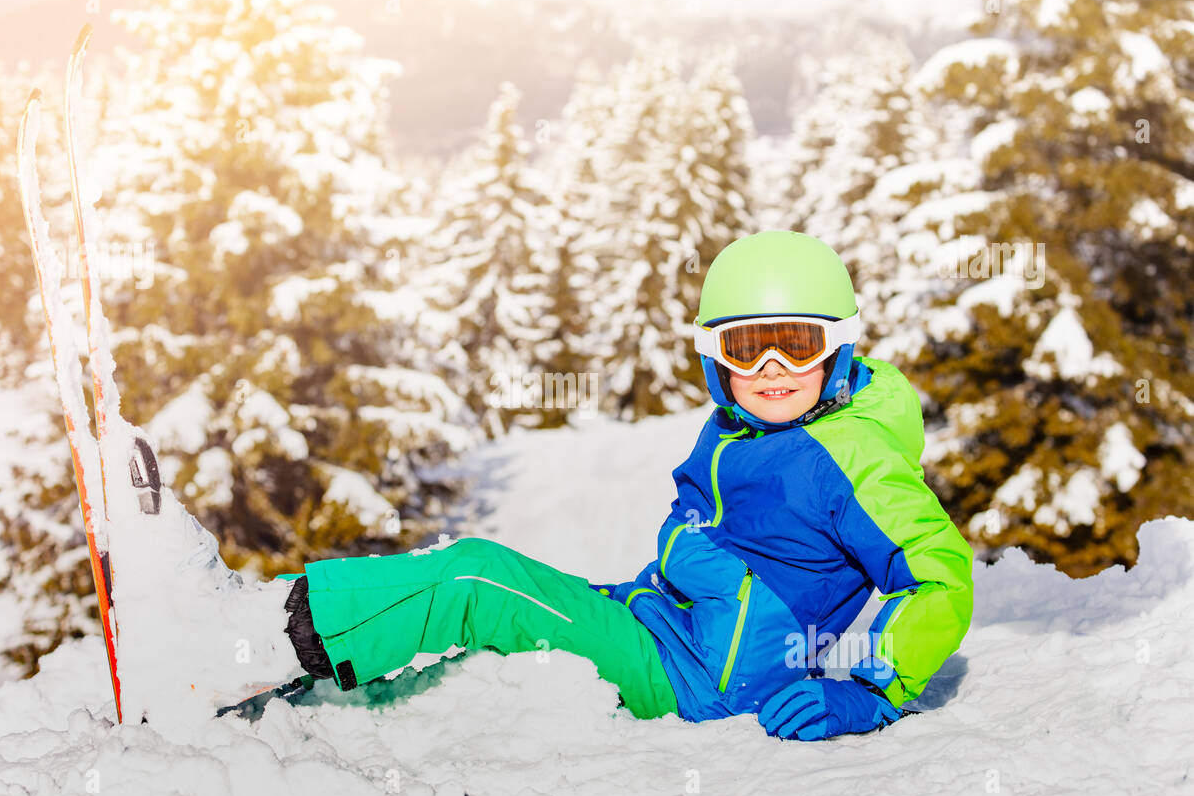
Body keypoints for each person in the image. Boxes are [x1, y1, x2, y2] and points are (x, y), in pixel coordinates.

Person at [253, 231, 975, 740]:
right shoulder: (741, 428)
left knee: (479, 579)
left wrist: (867, 692)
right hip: (660, 627)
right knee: (485, 633)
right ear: (714, 359)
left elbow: (942, 577)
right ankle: (295, 678)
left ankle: (254, 637)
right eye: (748, 348)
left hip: (692, 681)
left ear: (840, 348)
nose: (772, 371)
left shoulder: (849, 455)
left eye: (799, 343)